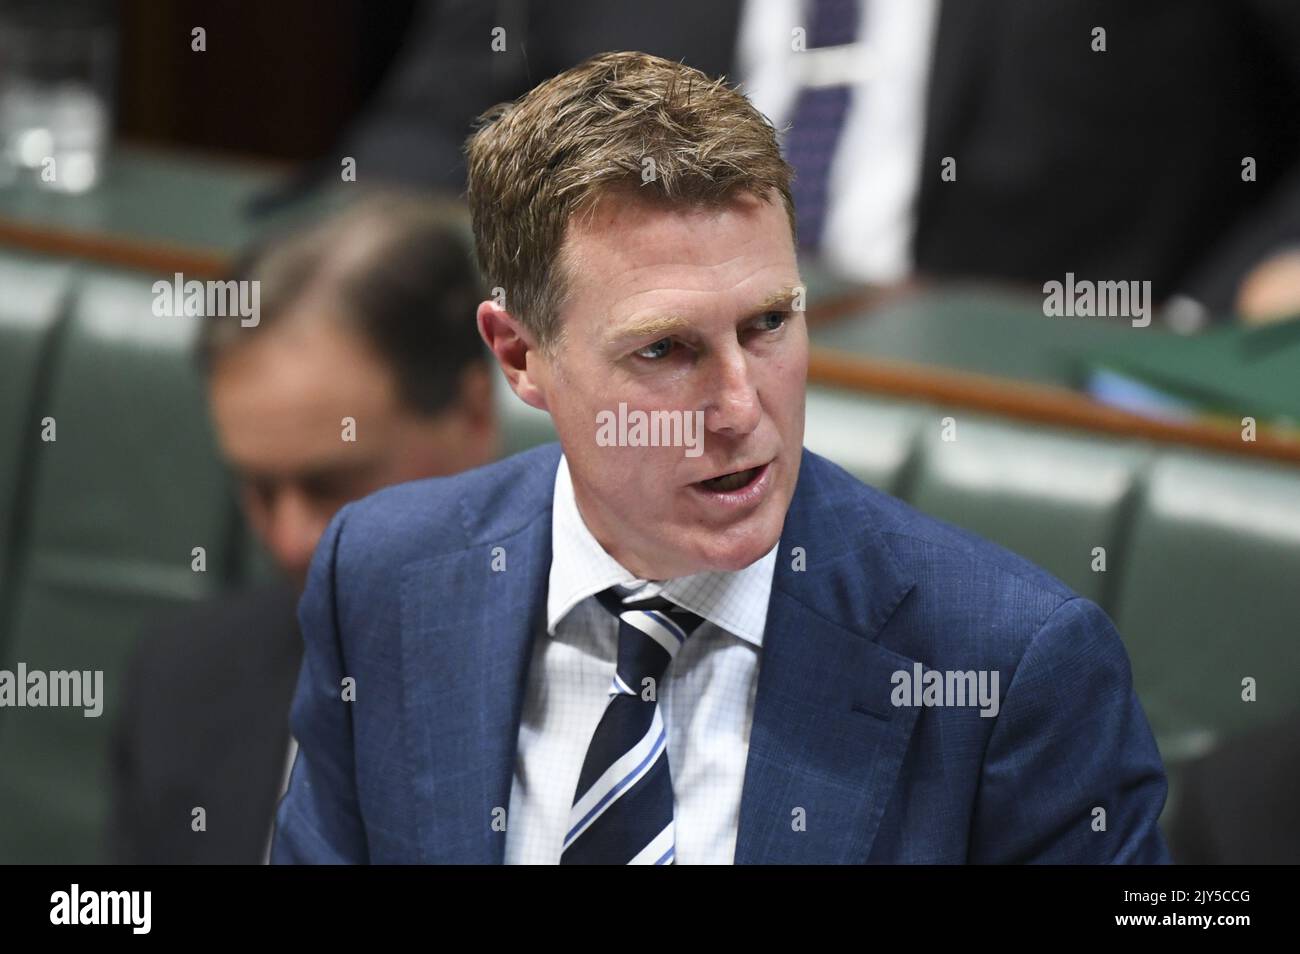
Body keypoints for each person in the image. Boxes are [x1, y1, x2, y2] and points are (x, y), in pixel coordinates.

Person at [272, 52, 1170, 864]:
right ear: (520, 356)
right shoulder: (386, 577)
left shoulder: (1013, 669)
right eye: (665, 350)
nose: (744, 409)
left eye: (768, 323)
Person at [108, 195, 498, 863]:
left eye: (333, 484)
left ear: (471, 414)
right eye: (259, 489)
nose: (291, 540)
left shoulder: (607, 693)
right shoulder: (181, 685)